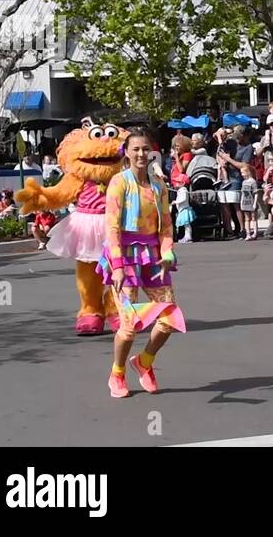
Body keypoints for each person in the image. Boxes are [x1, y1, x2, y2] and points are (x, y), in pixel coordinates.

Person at [97, 127, 185, 399]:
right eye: (135, 149)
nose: (141, 154)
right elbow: (111, 226)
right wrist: (119, 266)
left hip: (153, 257)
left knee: (170, 318)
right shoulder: (119, 183)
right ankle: (118, 372)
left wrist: (168, 253)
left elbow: (166, 226)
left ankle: (144, 362)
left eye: (145, 149)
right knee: (128, 326)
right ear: (127, 152)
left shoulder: (158, 186)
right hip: (124, 257)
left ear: (152, 152)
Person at [173, 173, 195, 244]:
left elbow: (183, 199)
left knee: (187, 225)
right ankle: (187, 236)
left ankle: (188, 236)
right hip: (182, 209)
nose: (176, 184)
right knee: (186, 225)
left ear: (183, 183)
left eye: (178, 182)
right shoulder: (181, 190)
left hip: (184, 210)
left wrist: (176, 202)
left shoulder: (183, 190)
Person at [239, 165, 259, 240]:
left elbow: (256, 193)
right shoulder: (243, 182)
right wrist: (241, 202)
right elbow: (242, 194)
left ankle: (255, 232)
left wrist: (255, 203)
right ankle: (248, 233)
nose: (242, 174)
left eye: (243, 172)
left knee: (253, 218)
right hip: (245, 202)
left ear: (248, 172)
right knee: (247, 218)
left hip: (251, 202)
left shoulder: (253, 182)